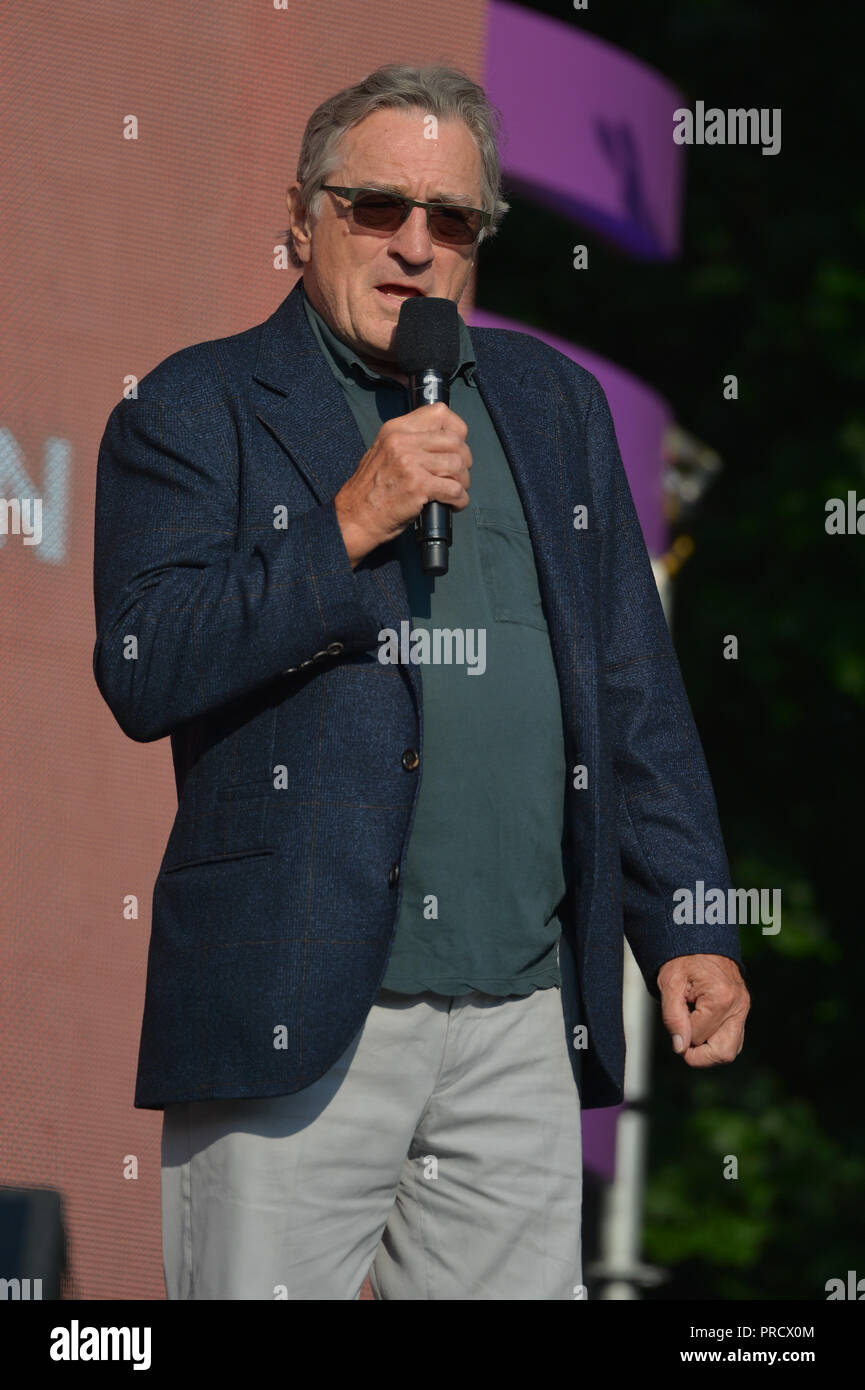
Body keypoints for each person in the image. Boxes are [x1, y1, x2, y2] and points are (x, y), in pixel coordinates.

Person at [92, 62, 750, 1301]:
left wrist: (690, 920)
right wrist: (342, 526)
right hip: (294, 1009)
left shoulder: (552, 404)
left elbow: (629, 684)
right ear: (300, 215)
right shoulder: (197, 404)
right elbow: (144, 662)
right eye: (374, 208)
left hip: (518, 1016)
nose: (414, 246)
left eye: (452, 220)